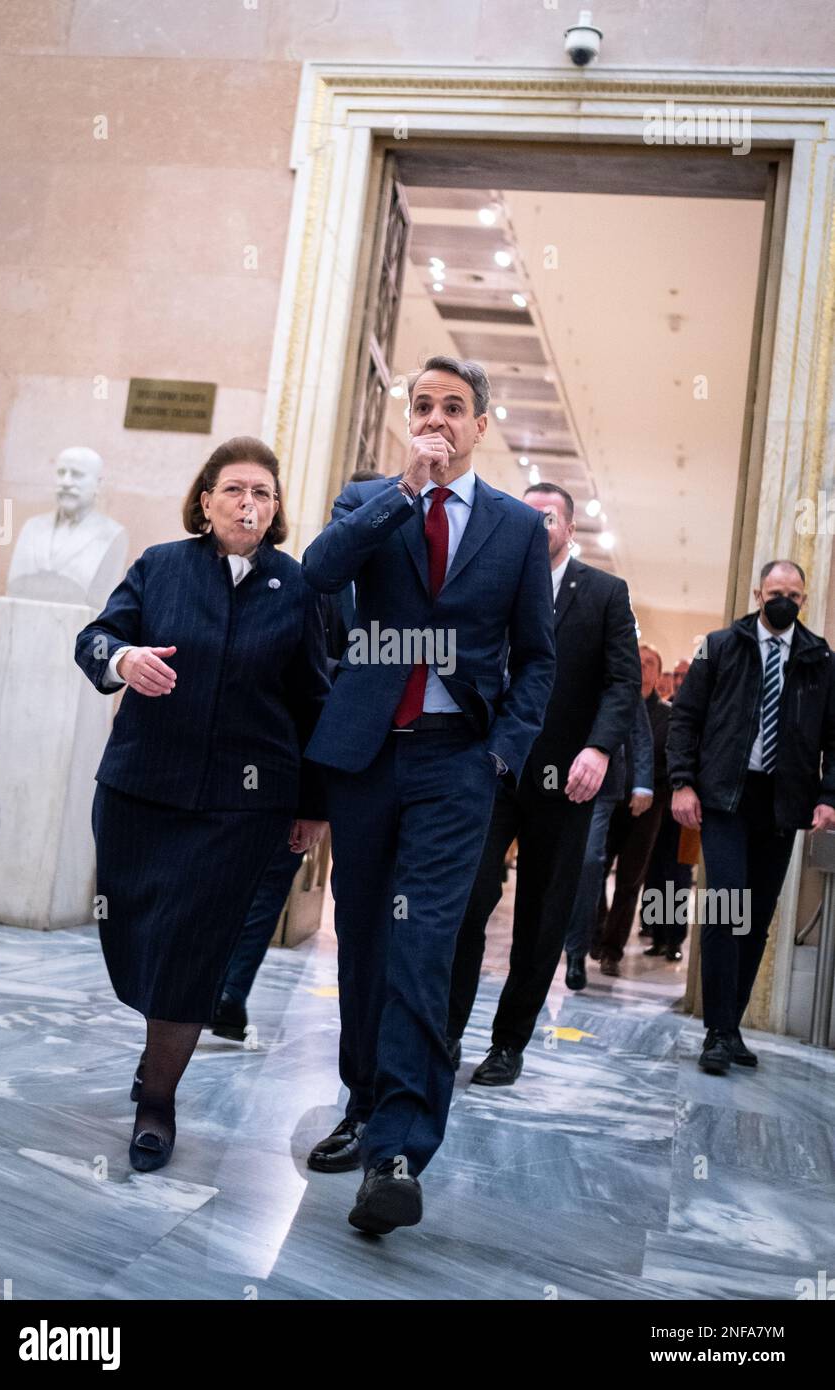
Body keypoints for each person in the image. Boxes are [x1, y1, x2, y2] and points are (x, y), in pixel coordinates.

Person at [301, 356, 553, 1235]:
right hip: (369, 757)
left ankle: (398, 1153)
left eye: (454, 408)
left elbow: (538, 657)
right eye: (422, 406)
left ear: (483, 424)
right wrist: (404, 489)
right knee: (365, 938)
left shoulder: (519, 530)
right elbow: (320, 574)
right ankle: (362, 1102)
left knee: (422, 945)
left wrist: (501, 754)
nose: (437, 419)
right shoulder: (368, 497)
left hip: (457, 763)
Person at [74, 436, 329, 1171]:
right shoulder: (161, 566)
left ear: (276, 510)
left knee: (193, 949)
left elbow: (314, 700)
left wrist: (313, 806)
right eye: (235, 490)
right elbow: (95, 637)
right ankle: (155, 1047)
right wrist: (123, 660)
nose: (249, 504)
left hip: (240, 811)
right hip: (138, 792)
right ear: (206, 500)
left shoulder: (298, 587)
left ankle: (158, 1101)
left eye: (263, 494)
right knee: (135, 934)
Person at [447, 483, 640, 1084]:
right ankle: (445, 1032)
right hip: (492, 766)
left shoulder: (605, 593)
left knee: (543, 909)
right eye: (527, 516)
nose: (537, 526)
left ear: (569, 530)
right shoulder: (494, 582)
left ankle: (508, 1044)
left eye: (548, 516)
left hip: (568, 778)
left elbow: (621, 681)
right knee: (467, 898)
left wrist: (600, 748)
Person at [209, 467, 386, 1043]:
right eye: (346, 511)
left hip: (369, 758)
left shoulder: (395, 581)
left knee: (290, 880)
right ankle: (226, 990)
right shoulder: (310, 577)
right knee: (253, 872)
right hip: (290, 749)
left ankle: (232, 986)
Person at [668, 560, 835, 1075]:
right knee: (726, 907)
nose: (783, 599)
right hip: (724, 796)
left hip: (783, 802)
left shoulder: (820, 658)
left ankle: (730, 1025)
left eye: (793, 593)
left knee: (757, 918)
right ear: (758, 593)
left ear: (803, 600)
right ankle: (717, 1032)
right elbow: (687, 717)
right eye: (775, 591)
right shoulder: (719, 646)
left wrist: (829, 796)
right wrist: (682, 781)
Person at [564, 694, 653, 990]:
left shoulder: (617, 656)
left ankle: (576, 950)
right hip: (550, 775)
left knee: (589, 861)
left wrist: (643, 783)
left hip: (599, 786)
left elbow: (640, 730)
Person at [594, 643, 670, 976]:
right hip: (608, 799)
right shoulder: (614, 704)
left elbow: (670, 759)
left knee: (630, 880)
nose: (642, 668)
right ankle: (595, 933)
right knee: (593, 868)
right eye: (637, 661)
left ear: (657, 672)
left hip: (647, 807)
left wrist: (649, 787)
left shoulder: (668, 714)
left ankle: (612, 949)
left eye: (649, 663)